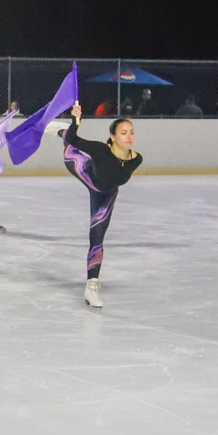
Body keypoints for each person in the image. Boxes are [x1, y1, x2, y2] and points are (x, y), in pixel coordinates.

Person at [63, 102, 143, 309]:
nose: (129, 136)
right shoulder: (100, 149)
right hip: (82, 167)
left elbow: (116, 175)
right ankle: (60, 131)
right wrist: (75, 120)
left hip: (105, 195)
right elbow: (75, 140)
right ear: (113, 137)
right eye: (123, 132)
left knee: (97, 237)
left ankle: (92, 285)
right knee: (69, 148)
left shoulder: (137, 159)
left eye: (131, 132)